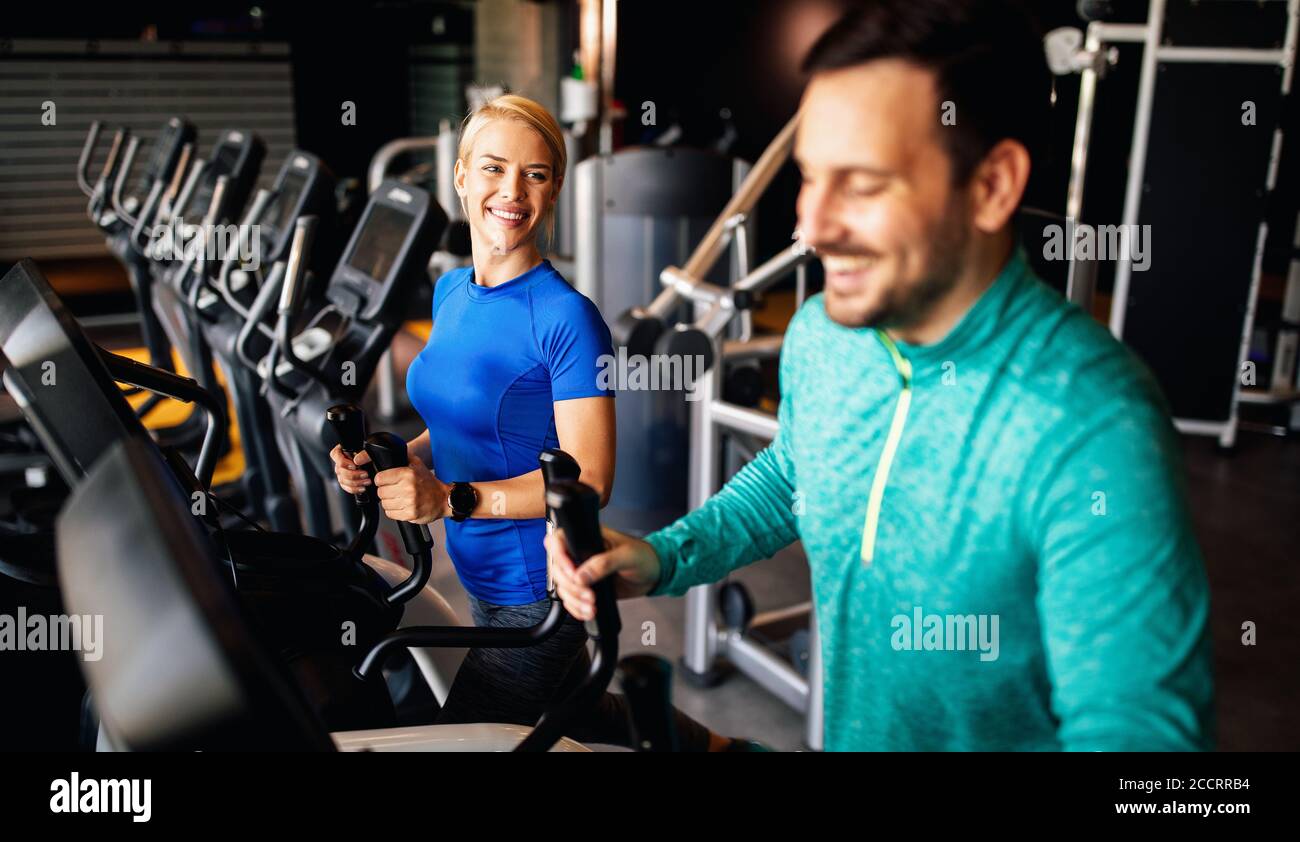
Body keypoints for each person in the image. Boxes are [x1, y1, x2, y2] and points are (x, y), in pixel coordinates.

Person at [550, 0, 1215, 751]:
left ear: (993, 186)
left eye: (862, 184)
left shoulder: (1091, 425)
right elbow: (796, 474)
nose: (815, 224)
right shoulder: (825, 336)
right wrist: (667, 556)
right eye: (810, 177)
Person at [331, 94, 731, 750]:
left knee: (462, 740)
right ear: (460, 176)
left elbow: (592, 481)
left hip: (540, 588)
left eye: (536, 174)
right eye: (492, 168)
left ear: (554, 191)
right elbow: (465, 424)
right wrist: (401, 457)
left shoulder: (568, 319)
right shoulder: (451, 290)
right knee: (575, 704)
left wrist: (451, 498)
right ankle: (721, 750)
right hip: (479, 573)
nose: (512, 190)